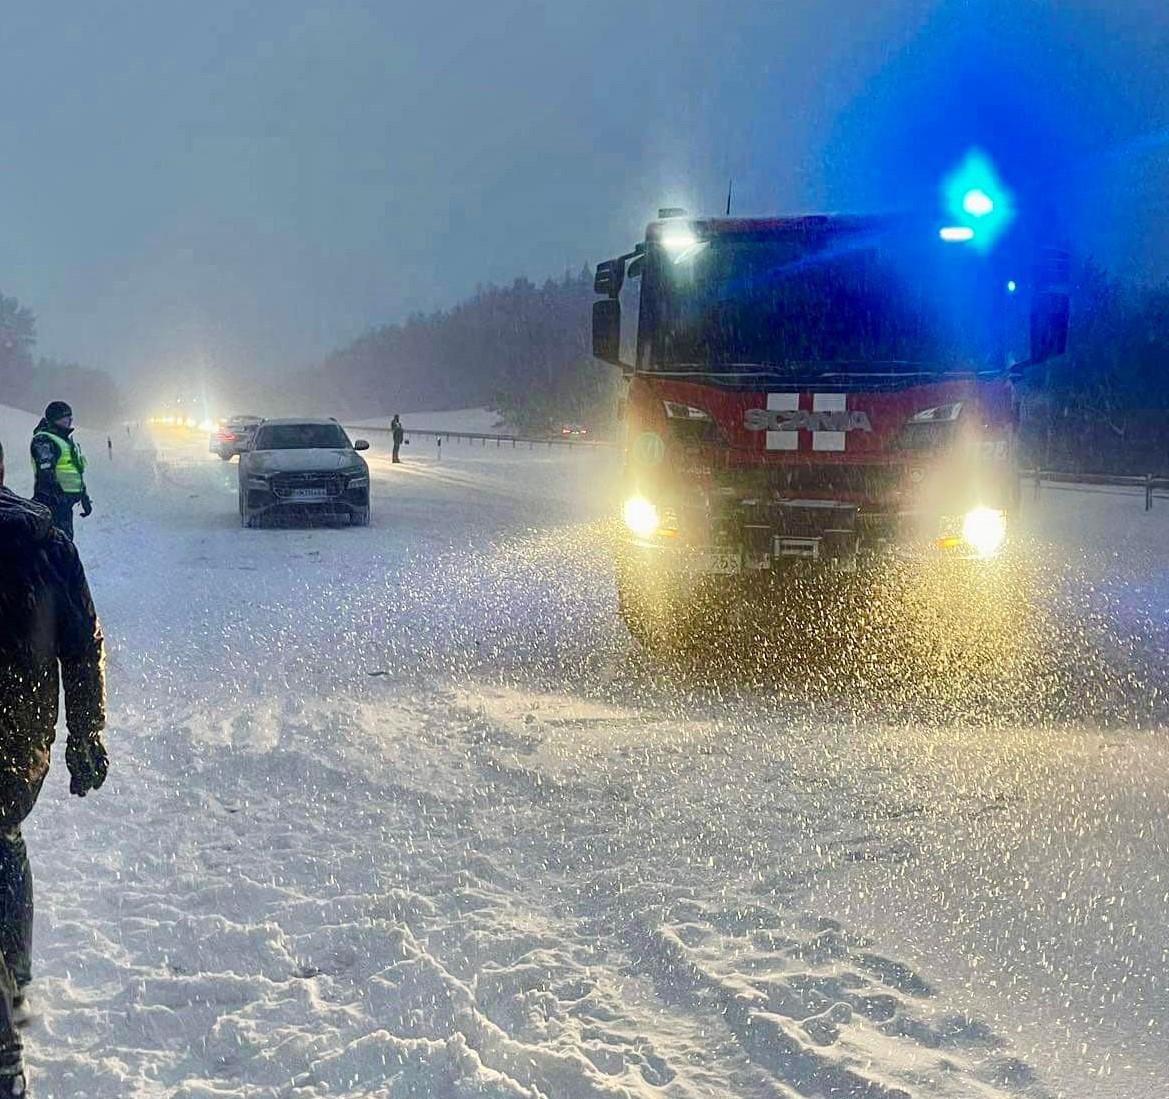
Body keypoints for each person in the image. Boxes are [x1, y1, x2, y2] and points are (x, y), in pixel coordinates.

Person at [0, 438, 108, 1097]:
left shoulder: (43, 539)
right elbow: (82, 639)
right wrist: (84, 731)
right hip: (22, 738)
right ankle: (14, 989)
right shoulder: (45, 538)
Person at [30, 402, 92, 540]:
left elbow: (75, 470)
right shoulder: (43, 440)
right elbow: (45, 473)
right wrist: (56, 497)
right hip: (52, 503)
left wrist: (83, 495)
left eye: (70, 418)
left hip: (65, 503)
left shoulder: (65, 440)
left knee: (64, 541)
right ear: (55, 419)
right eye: (65, 418)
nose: (69, 421)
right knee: (57, 543)